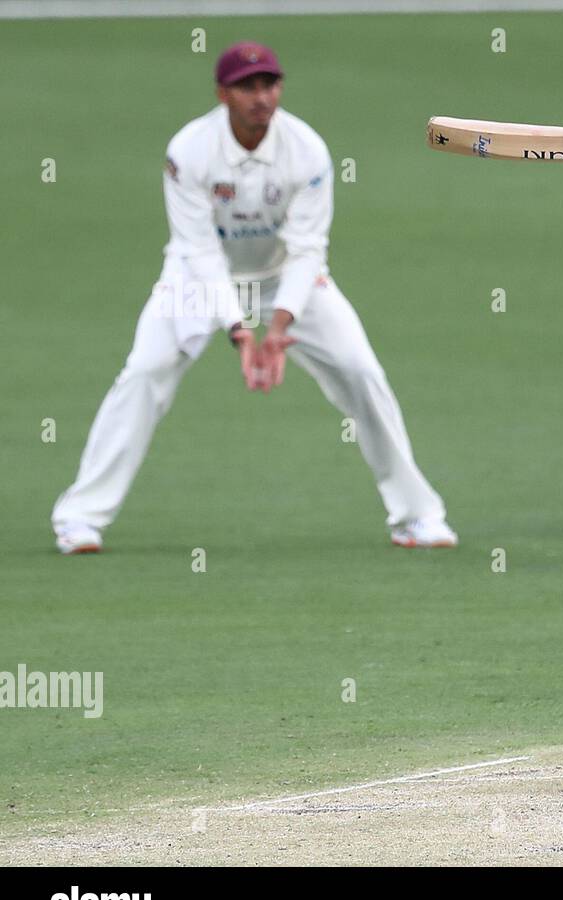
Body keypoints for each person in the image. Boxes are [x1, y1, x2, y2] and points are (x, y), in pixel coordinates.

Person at [52, 41, 456, 554]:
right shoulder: (189, 151)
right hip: (195, 281)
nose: (261, 97)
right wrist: (240, 331)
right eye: (247, 87)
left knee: (361, 372)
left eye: (269, 84)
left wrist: (279, 326)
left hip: (283, 279)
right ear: (223, 93)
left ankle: (417, 516)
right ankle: (80, 518)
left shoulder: (306, 149)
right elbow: (199, 252)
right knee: (145, 371)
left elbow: (309, 248)